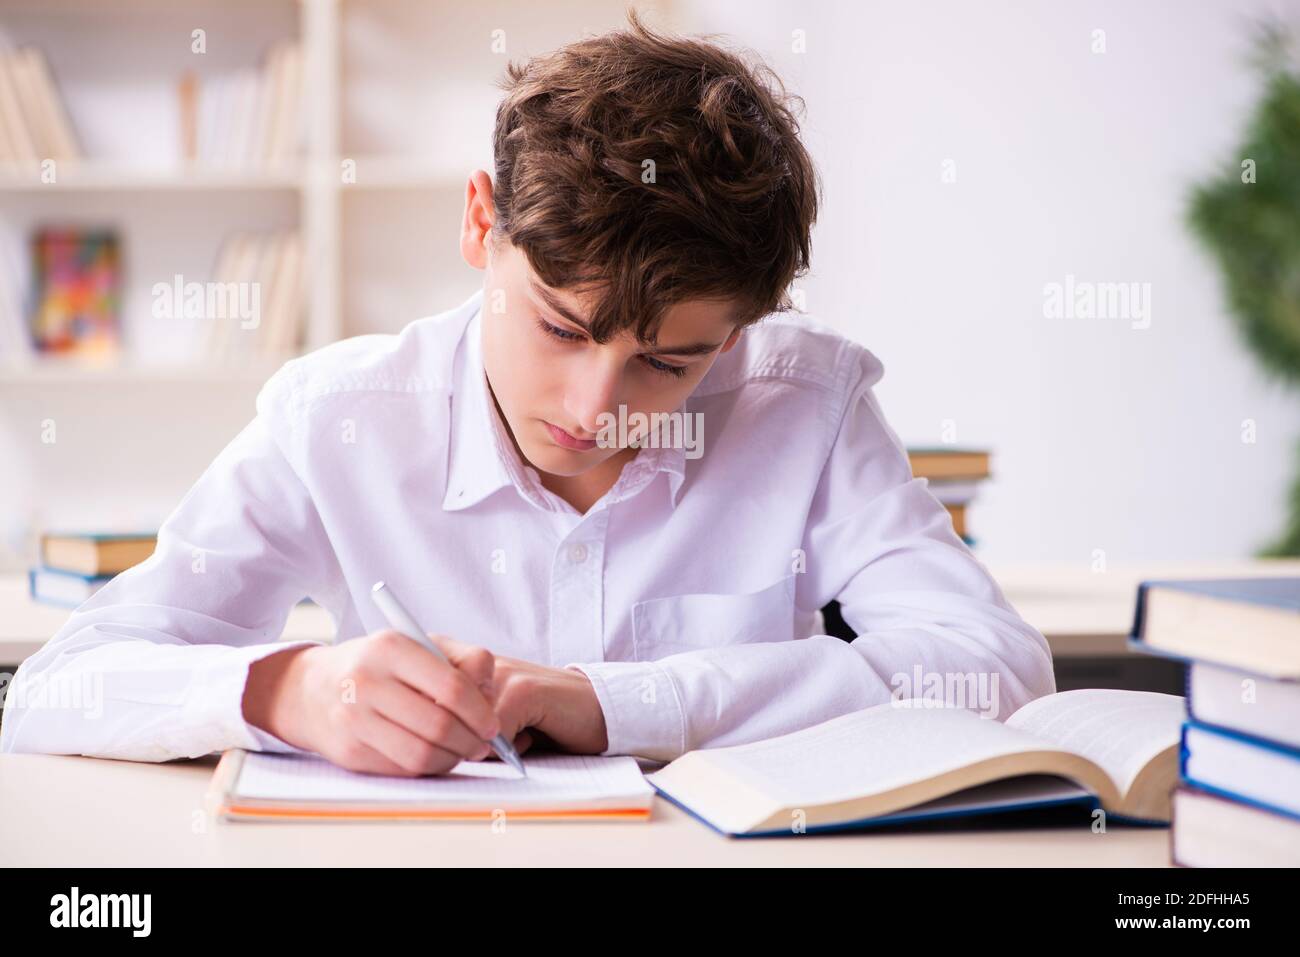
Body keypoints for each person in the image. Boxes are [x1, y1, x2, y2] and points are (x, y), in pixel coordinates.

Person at [0, 12, 1053, 774]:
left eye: (671, 361)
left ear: (742, 330)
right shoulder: (338, 419)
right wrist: (285, 688)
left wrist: (616, 704)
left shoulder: (801, 399)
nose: (597, 408)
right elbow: (53, 692)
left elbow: (992, 669)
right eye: (559, 325)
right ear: (478, 225)